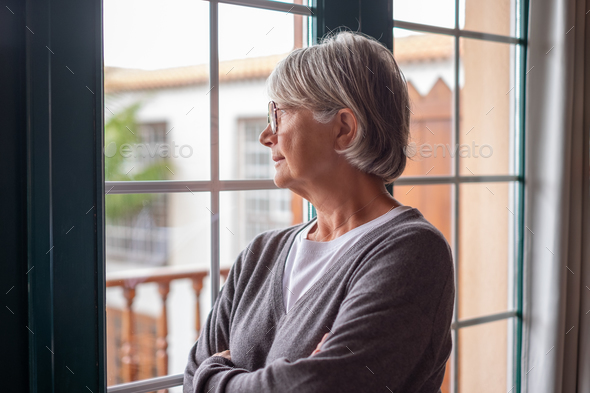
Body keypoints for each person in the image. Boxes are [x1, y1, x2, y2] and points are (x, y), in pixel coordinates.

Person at [183, 29, 455, 393]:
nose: (266, 135)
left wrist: (214, 376)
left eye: (278, 114)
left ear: (343, 129)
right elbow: (190, 377)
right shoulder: (261, 254)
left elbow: (318, 388)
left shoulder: (414, 252)